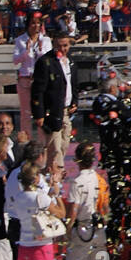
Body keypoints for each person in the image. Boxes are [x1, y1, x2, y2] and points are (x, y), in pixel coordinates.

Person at [63, 142, 110, 260]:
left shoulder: (77, 182)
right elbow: (106, 209)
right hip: (99, 232)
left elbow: (73, 211)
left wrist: (67, 231)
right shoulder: (101, 180)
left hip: (81, 231)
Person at [30, 32, 76, 174]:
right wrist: (39, 114)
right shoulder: (45, 62)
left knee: (63, 145)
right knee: (55, 148)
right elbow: (37, 90)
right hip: (52, 112)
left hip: (67, 111)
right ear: (54, 45)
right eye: (59, 45)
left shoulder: (71, 62)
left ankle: (48, 172)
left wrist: (75, 102)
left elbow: (74, 84)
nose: (63, 49)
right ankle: (57, 176)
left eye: (66, 45)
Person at [12, 14, 51, 139]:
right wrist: (26, 51)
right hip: (25, 78)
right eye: (33, 23)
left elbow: (48, 59)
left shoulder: (45, 40)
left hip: (40, 80)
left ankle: (42, 141)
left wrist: (40, 49)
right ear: (28, 25)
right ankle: (26, 141)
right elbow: (15, 60)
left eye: (38, 23)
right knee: (25, 113)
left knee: (41, 111)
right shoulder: (20, 40)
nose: (36, 26)